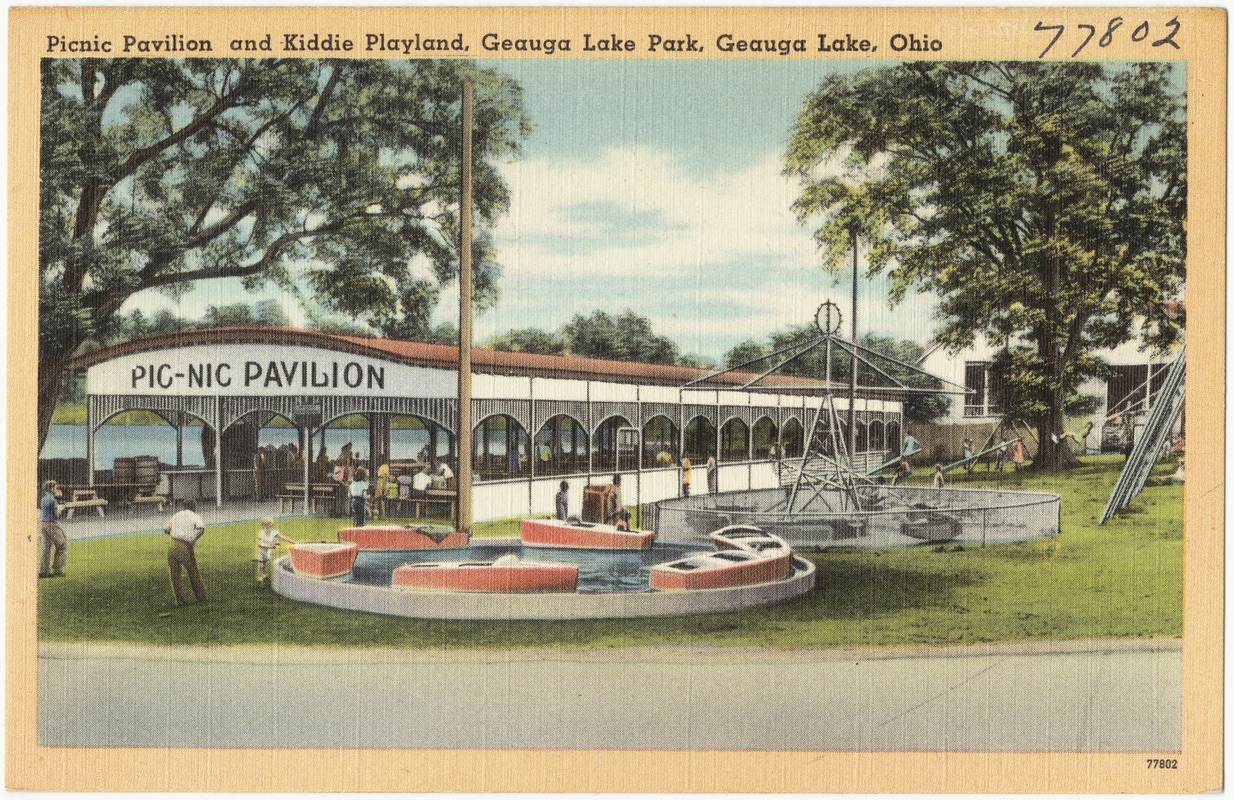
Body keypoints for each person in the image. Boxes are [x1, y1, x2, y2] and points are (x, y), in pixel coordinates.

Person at [165, 499, 207, 605]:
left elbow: (166, 529)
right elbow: (201, 528)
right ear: (194, 507)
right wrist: (194, 538)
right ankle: (201, 595)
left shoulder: (177, 515)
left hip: (172, 543)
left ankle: (180, 600)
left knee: (175, 574)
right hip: (185, 544)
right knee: (193, 570)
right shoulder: (194, 516)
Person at [39, 480, 67, 578]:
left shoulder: (43, 499)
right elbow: (57, 515)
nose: (57, 489)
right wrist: (61, 507)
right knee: (62, 545)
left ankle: (44, 571)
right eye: (55, 487)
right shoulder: (53, 500)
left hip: (43, 524)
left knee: (46, 548)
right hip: (51, 524)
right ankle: (58, 569)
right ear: (51, 488)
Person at [255, 517, 296, 585]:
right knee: (261, 565)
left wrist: (293, 542)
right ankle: (262, 577)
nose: (270, 525)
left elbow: (283, 537)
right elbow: (261, 543)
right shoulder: (262, 532)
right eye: (268, 524)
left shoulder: (274, 532)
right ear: (264, 525)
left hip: (268, 552)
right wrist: (271, 546)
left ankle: (264, 575)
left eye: (271, 523)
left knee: (266, 564)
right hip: (262, 551)